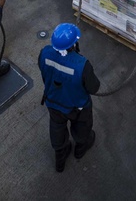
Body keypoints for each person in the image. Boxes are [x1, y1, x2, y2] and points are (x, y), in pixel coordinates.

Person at [38, 23, 101, 172]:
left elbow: (43, 69)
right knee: (82, 127)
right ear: (74, 44)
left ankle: (60, 158)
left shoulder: (44, 53)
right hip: (77, 107)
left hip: (53, 103)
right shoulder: (82, 64)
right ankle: (80, 148)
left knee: (57, 127)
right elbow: (94, 87)